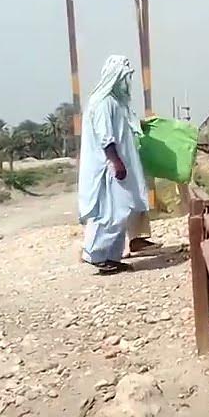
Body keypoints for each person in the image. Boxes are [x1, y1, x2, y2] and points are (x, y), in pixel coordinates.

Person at [77, 55, 149, 274]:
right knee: (110, 213)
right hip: (110, 168)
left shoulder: (114, 102)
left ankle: (111, 256)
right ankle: (95, 254)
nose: (127, 82)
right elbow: (105, 135)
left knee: (121, 211)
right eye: (125, 77)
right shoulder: (103, 103)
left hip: (118, 164)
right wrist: (115, 160)